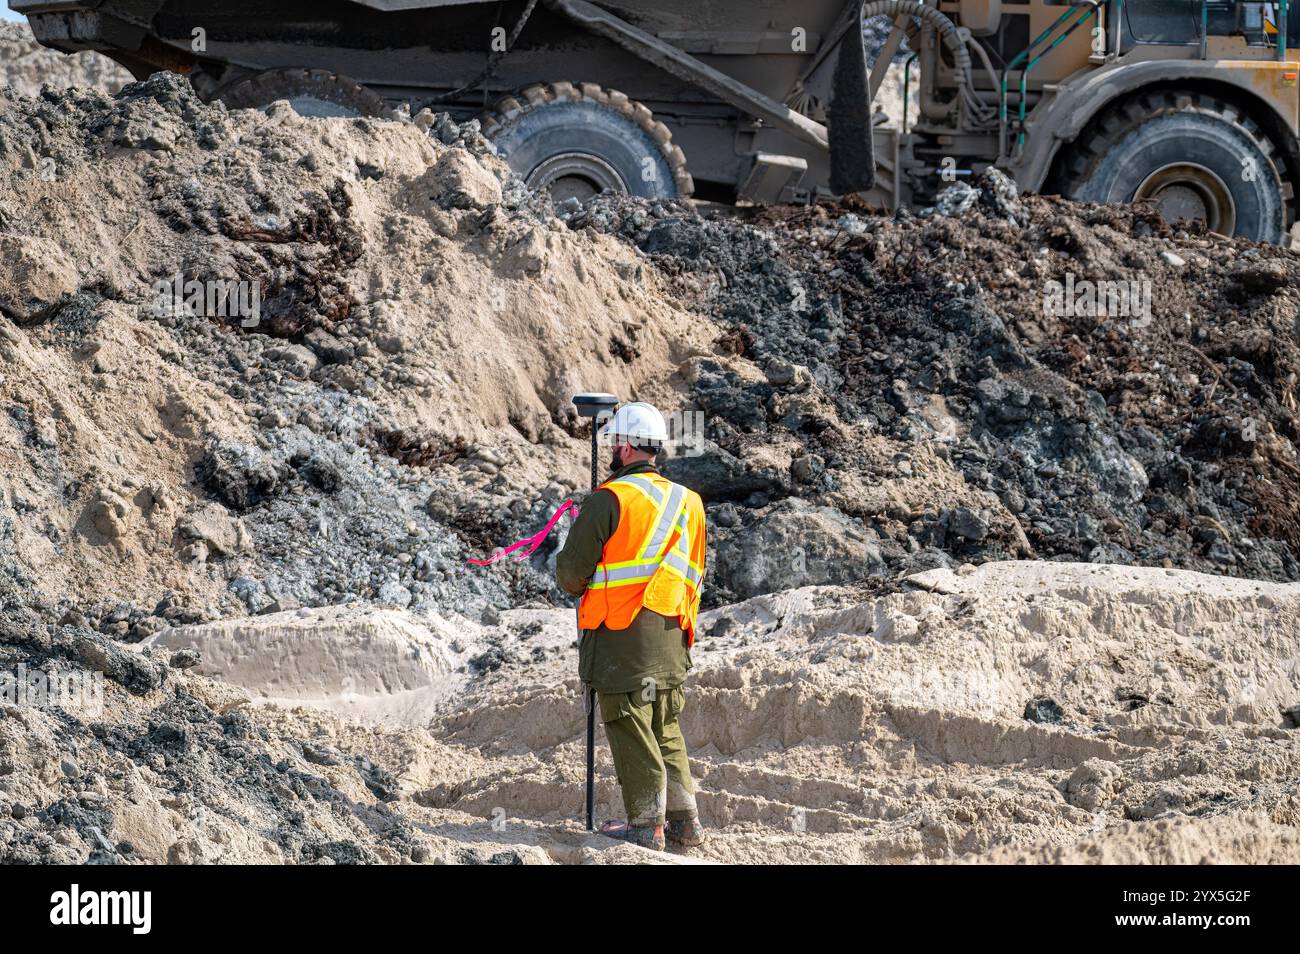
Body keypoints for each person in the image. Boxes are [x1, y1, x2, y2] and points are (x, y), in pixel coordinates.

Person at [556, 401, 708, 851]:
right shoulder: (690, 502)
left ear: (623, 447)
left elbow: (570, 577)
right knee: (665, 724)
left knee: (630, 723)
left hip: (623, 636)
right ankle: (685, 821)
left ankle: (646, 825)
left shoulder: (609, 500)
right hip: (672, 636)